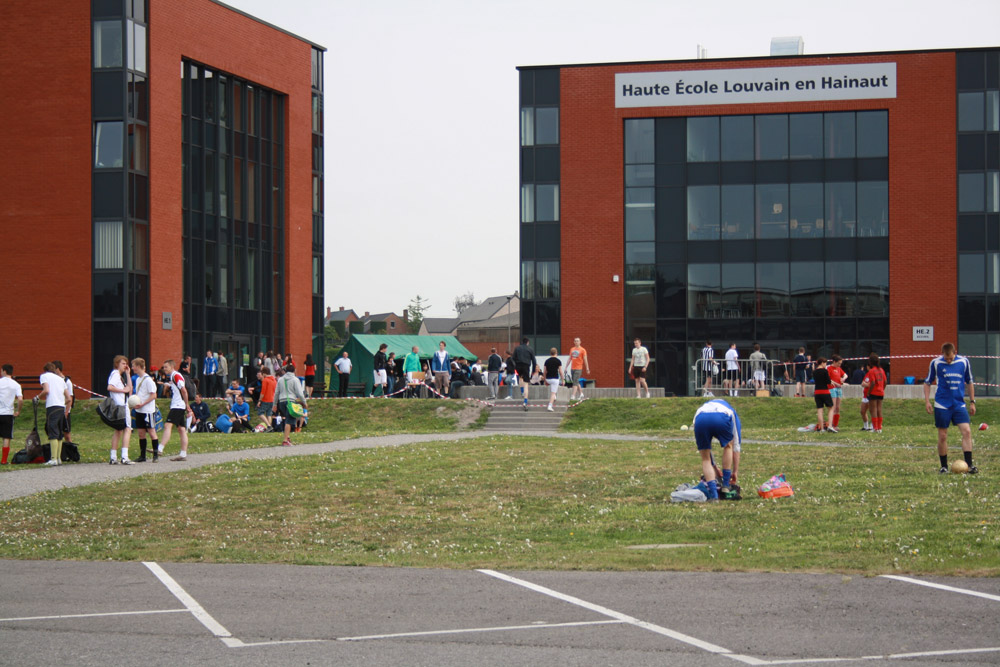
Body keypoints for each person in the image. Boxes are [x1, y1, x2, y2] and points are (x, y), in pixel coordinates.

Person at [924, 342, 978, 474]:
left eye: (950, 358)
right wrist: (927, 401)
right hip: (942, 404)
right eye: (946, 358)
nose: (948, 360)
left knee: (967, 431)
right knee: (942, 435)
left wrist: (972, 402)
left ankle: (969, 465)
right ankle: (944, 466)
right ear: (942, 353)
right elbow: (927, 383)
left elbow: (969, 382)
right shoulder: (936, 363)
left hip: (959, 404)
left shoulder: (963, 362)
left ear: (955, 352)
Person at [691, 398, 742, 500]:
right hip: (722, 417)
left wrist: (714, 466)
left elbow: (707, 450)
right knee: (728, 446)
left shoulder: (703, 408)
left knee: (705, 458)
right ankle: (726, 485)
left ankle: (714, 495)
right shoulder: (731, 411)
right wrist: (735, 471)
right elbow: (736, 446)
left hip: (700, 418)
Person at [160, 359, 194, 461]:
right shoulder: (172, 376)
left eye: (166, 367)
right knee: (181, 429)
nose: (164, 369)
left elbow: (183, 390)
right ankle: (183, 454)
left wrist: (187, 404)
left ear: (171, 367)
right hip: (178, 405)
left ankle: (160, 448)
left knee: (167, 425)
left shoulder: (176, 375)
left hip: (178, 405)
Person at [130, 357, 161, 462]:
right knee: (141, 433)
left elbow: (154, 395)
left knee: (152, 432)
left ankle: (155, 455)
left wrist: (143, 404)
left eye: (133, 366)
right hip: (139, 410)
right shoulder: (137, 379)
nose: (132, 368)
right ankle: (142, 456)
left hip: (148, 410)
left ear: (139, 367)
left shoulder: (148, 380)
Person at [105, 356, 133, 465]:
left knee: (118, 430)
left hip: (120, 405)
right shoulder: (116, 374)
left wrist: (128, 374)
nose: (125, 365)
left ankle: (113, 456)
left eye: (126, 363)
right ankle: (124, 456)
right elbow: (110, 387)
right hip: (121, 406)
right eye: (123, 363)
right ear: (117, 364)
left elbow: (129, 389)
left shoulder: (120, 376)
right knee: (127, 429)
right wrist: (122, 390)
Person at [274, 364, 307, 446]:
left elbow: (276, 393)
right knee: (289, 421)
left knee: (287, 420)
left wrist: (274, 404)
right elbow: (300, 393)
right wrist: (304, 402)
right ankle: (285, 440)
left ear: (285, 371)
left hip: (281, 401)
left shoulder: (280, 379)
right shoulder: (295, 379)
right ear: (294, 371)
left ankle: (287, 437)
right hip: (291, 401)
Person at [0, 364, 24, 465]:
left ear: (4, 371)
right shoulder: (16, 385)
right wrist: (18, 411)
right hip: (8, 413)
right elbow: (20, 399)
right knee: (6, 436)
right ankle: (4, 460)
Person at [862, 353, 887, 433]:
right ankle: (880, 428)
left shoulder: (872, 371)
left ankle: (875, 428)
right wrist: (883, 388)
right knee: (879, 409)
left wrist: (869, 392)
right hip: (881, 392)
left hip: (874, 392)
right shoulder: (881, 370)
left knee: (874, 410)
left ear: (871, 362)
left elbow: (872, 382)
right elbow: (885, 381)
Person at [512, 337, 537, 411]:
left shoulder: (517, 348)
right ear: (528, 342)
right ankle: (525, 402)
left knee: (520, 377)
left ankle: (522, 391)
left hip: (518, 365)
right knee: (526, 383)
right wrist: (533, 371)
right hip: (526, 366)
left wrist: (515, 366)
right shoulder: (530, 349)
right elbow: (534, 361)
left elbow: (513, 359)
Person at [811, 357, 834, 432]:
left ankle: (822, 428)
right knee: (830, 408)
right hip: (825, 391)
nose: (826, 364)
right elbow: (828, 381)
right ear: (822, 363)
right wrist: (831, 382)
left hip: (817, 392)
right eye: (825, 363)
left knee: (820, 410)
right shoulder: (825, 371)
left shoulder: (814, 372)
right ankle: (830, 425)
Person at [827, 354, 847, 432]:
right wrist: (837, 383)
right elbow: (828, 379)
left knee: (838, 407)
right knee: (833, 407)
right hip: (832, 388)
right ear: (834, 362)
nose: (839, 365)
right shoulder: (829, 368)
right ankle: (831, 424)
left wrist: (843, 379)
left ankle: (835, 424)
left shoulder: (839, 368)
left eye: (840, 363)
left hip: (839, 388)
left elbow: (845, 375)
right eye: (838, 363)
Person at [568, 337, 590, 401]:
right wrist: (566, 366)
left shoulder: (583, 350)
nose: (576, 342)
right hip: (572, 368)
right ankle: (581, 393)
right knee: (576, 381)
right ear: (574, 342)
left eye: (577, 341)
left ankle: (573, 395)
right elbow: (570, 358)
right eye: (575, 341)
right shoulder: (572, 349)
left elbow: (585, 360)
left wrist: (587, 368)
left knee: (575, 382)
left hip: (579, 368)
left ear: (580, 342)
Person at [543, 348, 562, 412]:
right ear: (556, 353)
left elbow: (545, 371)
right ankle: (550, 405)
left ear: (550, 353)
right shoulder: (558, 361)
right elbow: (560, 371)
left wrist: (545, 380)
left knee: (553, 388)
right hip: (555, 379)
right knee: (553, 393)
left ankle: (554, 397)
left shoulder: (547, 361)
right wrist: (563, 379)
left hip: (548, 378)